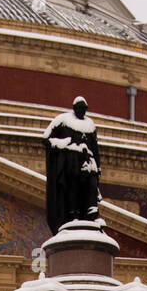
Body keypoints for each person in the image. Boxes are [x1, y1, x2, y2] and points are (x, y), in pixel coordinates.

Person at [43, 96, 101, 233]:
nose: (81, 111)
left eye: (84, 109)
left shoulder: (90, 125)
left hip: (88, 163)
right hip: (71, 163)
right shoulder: (63, 120)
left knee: (90, 188)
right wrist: (64, 145)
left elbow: (95, 149)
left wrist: (98, 168)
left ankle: (91, 212)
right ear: (74, 108)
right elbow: (46, 139)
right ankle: (73, 214)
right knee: (73, 189)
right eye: (79, 108)